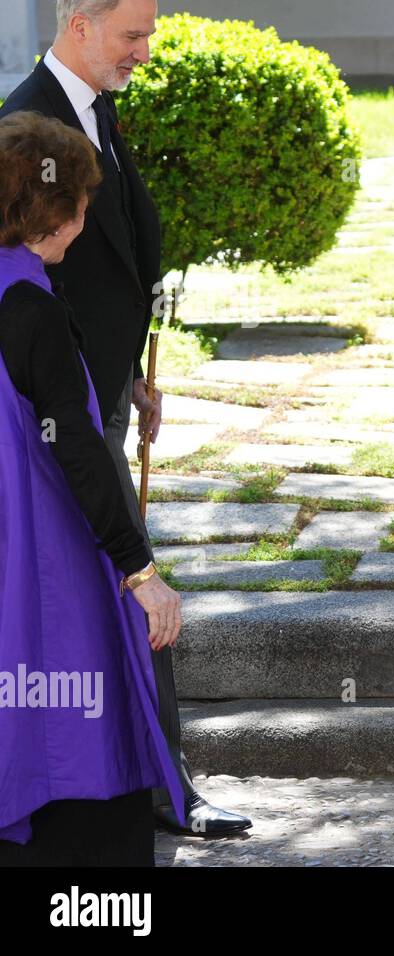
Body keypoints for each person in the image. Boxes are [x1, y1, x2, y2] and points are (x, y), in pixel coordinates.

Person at [0, 0, 250, 836]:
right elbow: (37, 289)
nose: (145, 51)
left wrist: (126, 378)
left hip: (95, 391)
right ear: (77, 22)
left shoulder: (99, 108)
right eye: (132, 34)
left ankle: (142, 777)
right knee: (126, 581)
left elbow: (115, 260)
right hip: (53, 422)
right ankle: (139, 786)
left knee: (112, 585)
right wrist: (80, 384)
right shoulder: (24, 123)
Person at [0, 110, 186, 866]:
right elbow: (77, 449)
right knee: (78, 730)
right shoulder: (34, 313)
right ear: (63, 212)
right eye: (83, 202)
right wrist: (140, 572)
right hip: (46, 556)